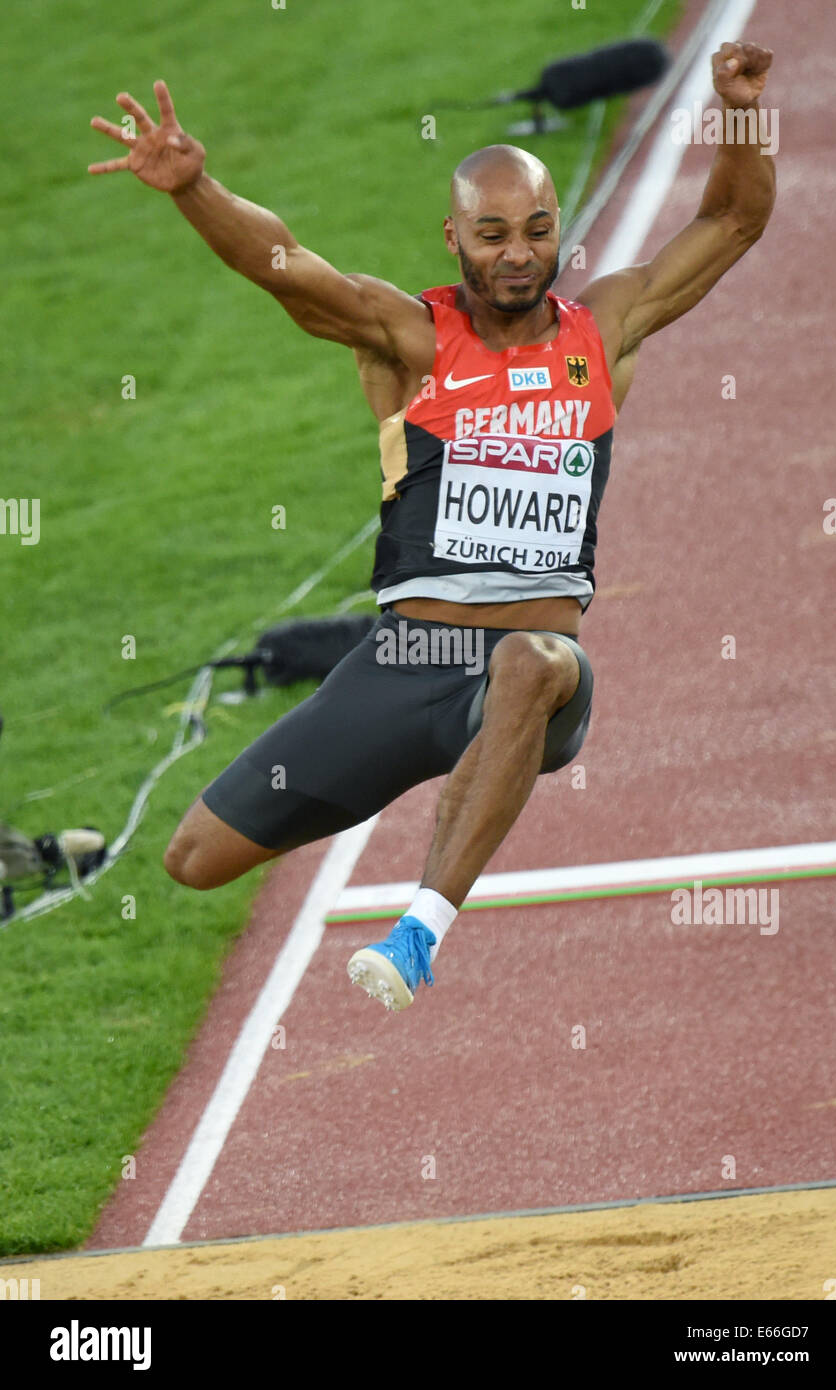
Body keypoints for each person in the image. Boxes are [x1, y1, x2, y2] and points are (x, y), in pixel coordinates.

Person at [89, 42, 775, 1010]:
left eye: (538, 229)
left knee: (528, 665)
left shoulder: (601, 331)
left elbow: (732, 218)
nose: (517, 252)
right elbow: (286, 268)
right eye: (491, 233)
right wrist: (194, 189)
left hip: (539, 670)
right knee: (194, 857)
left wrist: (741, 111)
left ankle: (421, 929)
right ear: (452, 239)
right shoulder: (409, 338)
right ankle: (432, 778)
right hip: (404, 665)